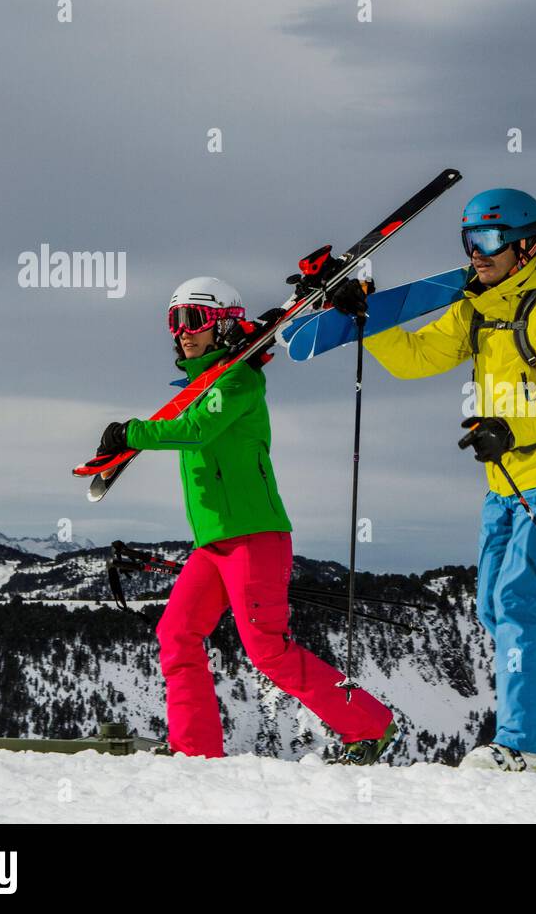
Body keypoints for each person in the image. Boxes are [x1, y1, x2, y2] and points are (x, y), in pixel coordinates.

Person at [329, 189, 536, 774]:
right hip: (506, 480)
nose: (477, 253)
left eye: (489, 240)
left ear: (526, 245)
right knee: (496, 608)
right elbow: (416, 357)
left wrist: (508, 426)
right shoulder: (479, 308)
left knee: (517, 599)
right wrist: (367, 316)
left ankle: (522, 747)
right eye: (469, 240)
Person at [94, 276, 398, 765]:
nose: (181, 332)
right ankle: (195, 751)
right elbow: (189, 425)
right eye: (174, 322)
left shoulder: (238, 381)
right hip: (213, 543)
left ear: (221, 324)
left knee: (268, 650)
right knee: (177, 633)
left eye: (192, 319)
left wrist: (130, 432)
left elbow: (195, 432)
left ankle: (371, 725)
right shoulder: (200, 388)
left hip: (254, 536)